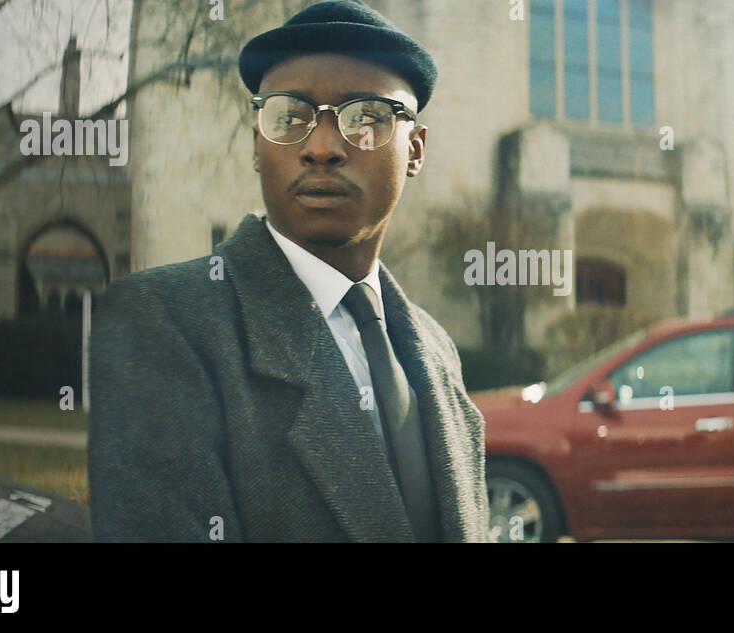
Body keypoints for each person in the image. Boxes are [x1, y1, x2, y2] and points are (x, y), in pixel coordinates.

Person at [87, 0, 490, 542]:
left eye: (365, 118)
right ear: (257, 144)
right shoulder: (161, 322)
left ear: (415, 149)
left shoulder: (435, 349)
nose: (321, 148)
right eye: (289, 119)